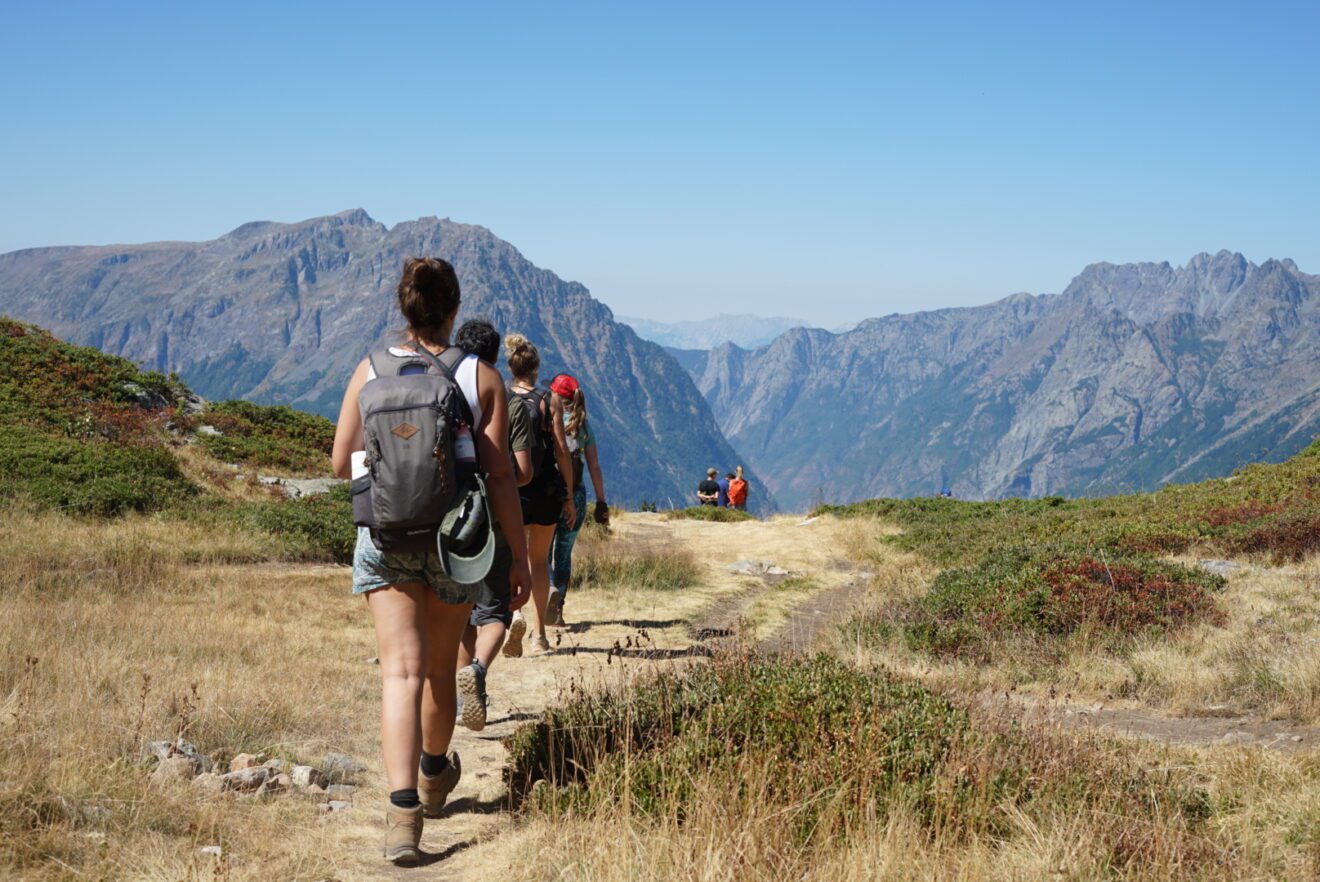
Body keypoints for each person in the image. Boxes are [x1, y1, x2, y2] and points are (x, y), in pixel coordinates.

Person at [331, 258, 532, 865]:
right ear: (453, 307)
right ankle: (432, 775)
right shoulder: (482, 378)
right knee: (442, 669)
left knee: (400, 673)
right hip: (456, 543)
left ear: (404, 307)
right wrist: (518, 557)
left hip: (387, 537)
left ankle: (402, 818)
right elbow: (500, 478)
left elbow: (342, 464)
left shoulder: (370, 368)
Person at [452, 319, 534, 731]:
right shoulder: (502, 394)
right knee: (495, 611)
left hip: (449, 522)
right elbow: (516, 472)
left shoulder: (440, 385)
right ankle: (479, 671)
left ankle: (464, 697)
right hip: (492, 520)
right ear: (495, 354)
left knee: (461, 616)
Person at [505, 334, 577, 655]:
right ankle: (540, 637)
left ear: (511, 367)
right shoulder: (550, 400)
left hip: (514, 489)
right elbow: (561, 450)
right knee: (538, 561)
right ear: (536, 368)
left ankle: (514, 616)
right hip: (546, 489)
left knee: (514, 556)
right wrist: (570, 493)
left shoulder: (502, 398)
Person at [548, 372, 609, 626]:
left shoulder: (547, 419)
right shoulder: (582, 424)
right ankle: (559, 610)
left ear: (557, 397)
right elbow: (594, 466)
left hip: (549, 494)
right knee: (564, 554)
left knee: (541, 553)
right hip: (578, 495)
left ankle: (547, 591)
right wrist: (602, 502)